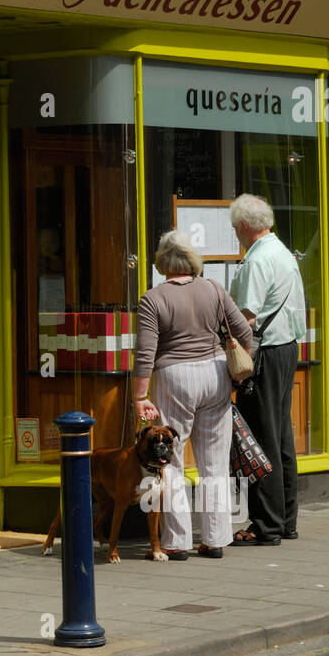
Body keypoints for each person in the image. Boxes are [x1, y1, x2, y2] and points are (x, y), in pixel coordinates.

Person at [133, 230, 253, 560]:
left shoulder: (153, 298)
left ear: (162, 260)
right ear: (192, 259)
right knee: (214, 461)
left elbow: (145, 352)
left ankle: (177, 541)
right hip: (216, 373)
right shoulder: (214, 288)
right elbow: (244, 333)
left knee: (169, 460)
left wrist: (141, 396)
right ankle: (215, 539)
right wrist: (239, 370)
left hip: (175, 376)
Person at [227, 193, 306, 547]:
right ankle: (286, 520)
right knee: (281, 438)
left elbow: (246, 318)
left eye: (235, 228)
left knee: (260, 439)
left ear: (244, 226)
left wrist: (233, 360)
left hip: (264, 355)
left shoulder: (257, 260)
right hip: (286, 350)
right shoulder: (284, 254)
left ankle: (265, 525)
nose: (235, 235)